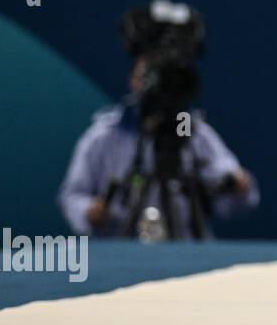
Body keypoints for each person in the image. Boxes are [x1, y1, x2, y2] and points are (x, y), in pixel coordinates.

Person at [57, 53, 259, 238]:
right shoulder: (105, 135)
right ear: (133, 81)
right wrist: (89, 212)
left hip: (187, 250)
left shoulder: (187, 128)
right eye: (149, 78)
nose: (159, 89)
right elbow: (72, 195)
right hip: (120, 249)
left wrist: (238, 185)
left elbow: (232, 189)